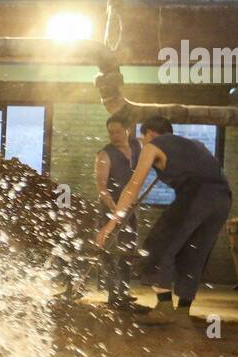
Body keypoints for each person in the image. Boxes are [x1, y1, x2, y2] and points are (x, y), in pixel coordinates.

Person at [95, 115, 231, 326]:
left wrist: (112, 223)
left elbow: (132, 187)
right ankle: (183, 311)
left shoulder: (153, 146)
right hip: (223, 199)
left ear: (149, 134)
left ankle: (165, 307)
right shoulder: (194, 144)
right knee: (195, 251)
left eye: (143, 138)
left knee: (157, 246)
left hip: (195, 196)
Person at [94, 114, 141, 311]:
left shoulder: (138, 148)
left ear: (127, 129)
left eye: (118, 132)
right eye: (110, 132)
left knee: (128, 249)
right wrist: (113, 207)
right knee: (109, 250)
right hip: (110, 208)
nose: (114, 136)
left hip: (130, 208)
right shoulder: (105, 155)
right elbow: (101, 186)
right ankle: (113, 293)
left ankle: (124, 291)